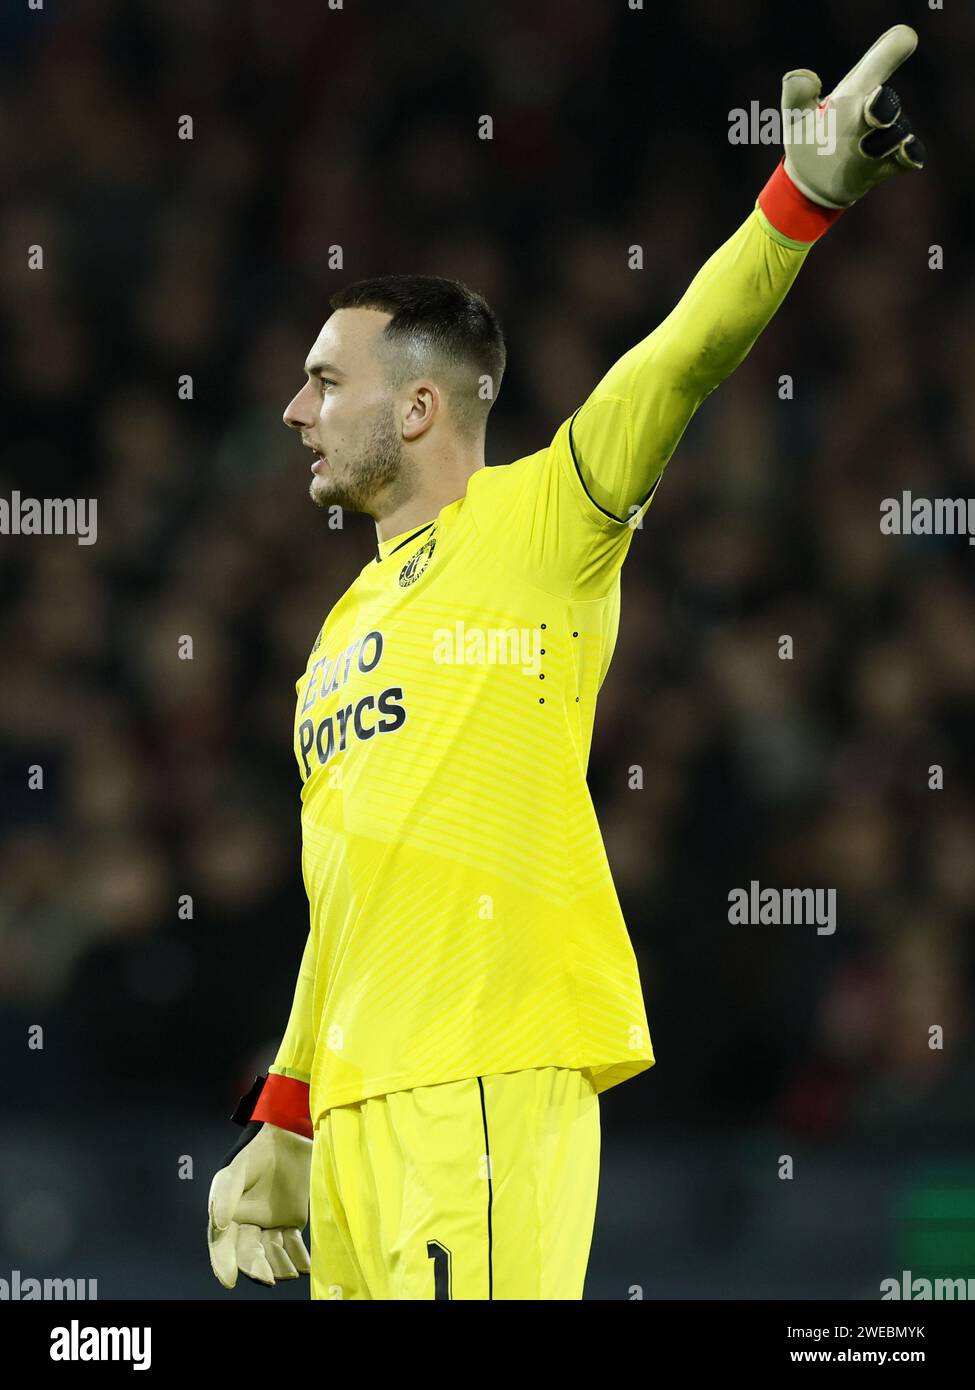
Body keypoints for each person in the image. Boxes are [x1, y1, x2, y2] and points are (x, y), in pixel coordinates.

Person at [207, 25, 924, 1300]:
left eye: (325, 380)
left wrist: (798, 199)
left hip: (484, 1071)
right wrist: (286, 1115)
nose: (295, 411)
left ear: (420, 406)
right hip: (364, 1108)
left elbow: (677, 361)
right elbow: (348, 899)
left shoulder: (547, 522)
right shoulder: (336, 632)